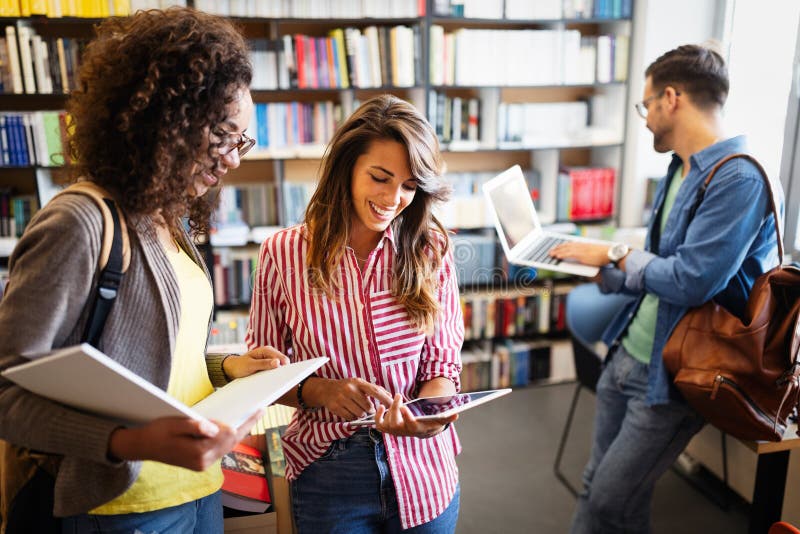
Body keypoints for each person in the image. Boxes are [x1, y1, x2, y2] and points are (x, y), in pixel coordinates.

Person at [0, 8, 287, 533]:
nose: (233, 159)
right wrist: (131, 441)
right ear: (165, 119)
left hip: (200, 490)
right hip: (121, 507)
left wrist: (229, 369)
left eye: (241, 141)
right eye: (224, 134)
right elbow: (9, 394)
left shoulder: (167, 214)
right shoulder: (78, 223)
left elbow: (153, 354)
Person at [549, 43, 783, 534]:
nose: (646, 117)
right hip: (629, 352)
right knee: (602, 492)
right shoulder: (681, 167)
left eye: (646, 104)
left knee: (609, 502)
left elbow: (693, 279)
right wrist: (600, 270)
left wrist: (612, 255)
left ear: (671, 98)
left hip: (674, 374)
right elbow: (660, 266)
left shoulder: (739, 178)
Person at [247, 94, 465, 533]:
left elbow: (443, 362)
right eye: (380, 178)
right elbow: (262, 376)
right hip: (329, 470)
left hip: (423, 470)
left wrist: (431, 412)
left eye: (408, 186)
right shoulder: (282, 254)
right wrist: (320, 392)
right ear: (347, 166)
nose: (394, 198)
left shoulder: (430, 249)